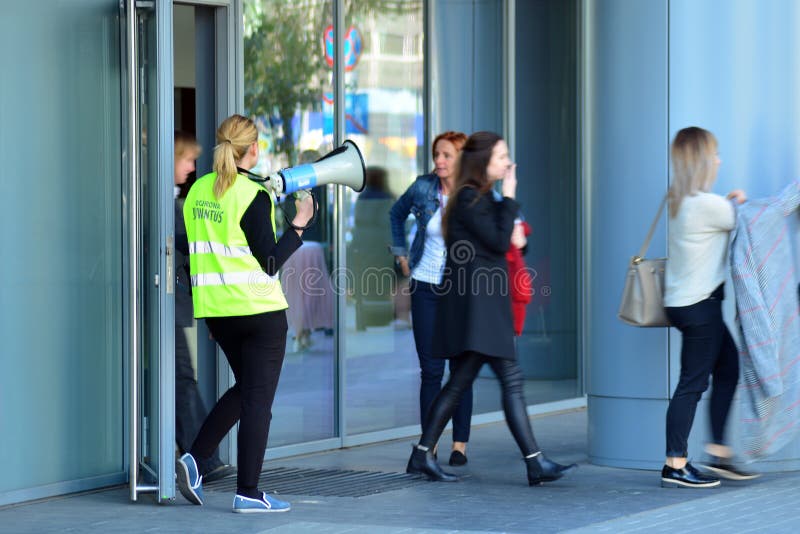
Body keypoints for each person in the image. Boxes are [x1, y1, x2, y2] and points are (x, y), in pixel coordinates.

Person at [405, 131, 577, 485]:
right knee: (508, 381)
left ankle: (423, 455)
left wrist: (511, 216)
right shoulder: (468, 198)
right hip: (478, 307)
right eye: (501, 156)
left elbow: (505, 239)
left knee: (461, 384)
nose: (507, 162)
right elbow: (499, 240)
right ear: (484, 161)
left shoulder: (478, 198)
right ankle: (535, 462)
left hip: (483, 306)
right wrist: (511, 196)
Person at [176, 114, 314, 512]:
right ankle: (248, 493)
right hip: (259, 313)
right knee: (258, 401)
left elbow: (192, 255)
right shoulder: (253, 194)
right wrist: (300, 226)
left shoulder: (198, 191)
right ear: (253, 149)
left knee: (246, 390)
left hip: (219, 314)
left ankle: (195, 458)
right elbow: (270, 262)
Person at [661, 126, 758, 488]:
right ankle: (675, 464)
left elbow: (724, 212)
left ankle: (718, 452)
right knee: (692, 384)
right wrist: (741, 200)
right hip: (701, 307)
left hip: (687, 304)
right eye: (714, 154)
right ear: (702, 160)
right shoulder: (707, 205)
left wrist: (730, 201)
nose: (719, 159)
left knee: (728, 367)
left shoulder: (678, 199)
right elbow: (748, 219)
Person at [390, 131, 473, 466]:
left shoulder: (474, 193)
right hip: (424, 285)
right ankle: (429, 445)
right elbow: (396, 214)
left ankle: (459, 446)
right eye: (437, 154)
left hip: (460, 290)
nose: (439, 160)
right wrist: (400, 255)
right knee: (430, 370)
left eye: (447, 155)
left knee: (461, 369)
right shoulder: (423, 187)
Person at [173, 131, 235, 483]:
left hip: (171, 302)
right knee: (181, 377)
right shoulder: (164, 202)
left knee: (177, 377)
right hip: (161, 303)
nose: (192, 167)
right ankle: (201, 459)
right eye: (187, 159)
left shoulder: (177, 200)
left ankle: (198, 457)